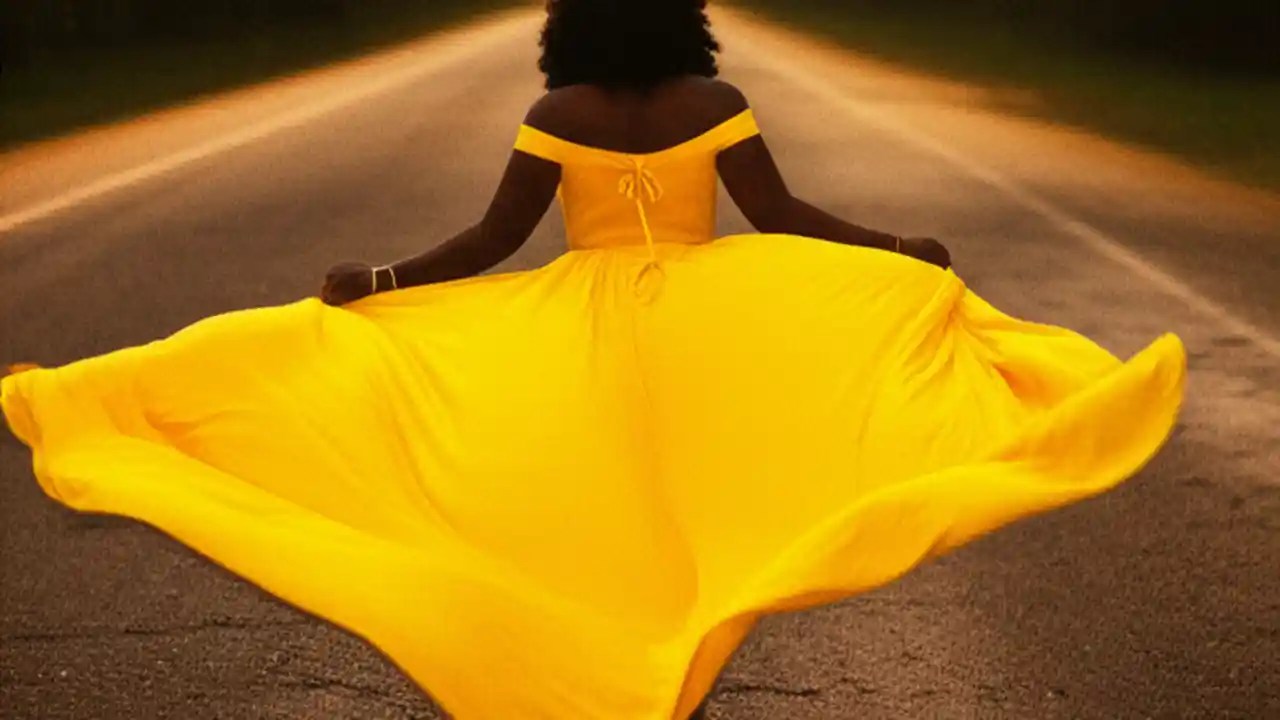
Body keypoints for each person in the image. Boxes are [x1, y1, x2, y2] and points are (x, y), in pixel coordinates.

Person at [1, 1, 1185, 719]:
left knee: (582, 514)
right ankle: (679, 681)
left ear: (570, 31)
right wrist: (898, 251)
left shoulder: (559, 109)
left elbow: (492, 242)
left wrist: (380, 285)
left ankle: (596, 678)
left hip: (574, 328)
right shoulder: (715, 95)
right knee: (707, 507)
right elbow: (781, 220)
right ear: (682, 23)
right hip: (712, 327)